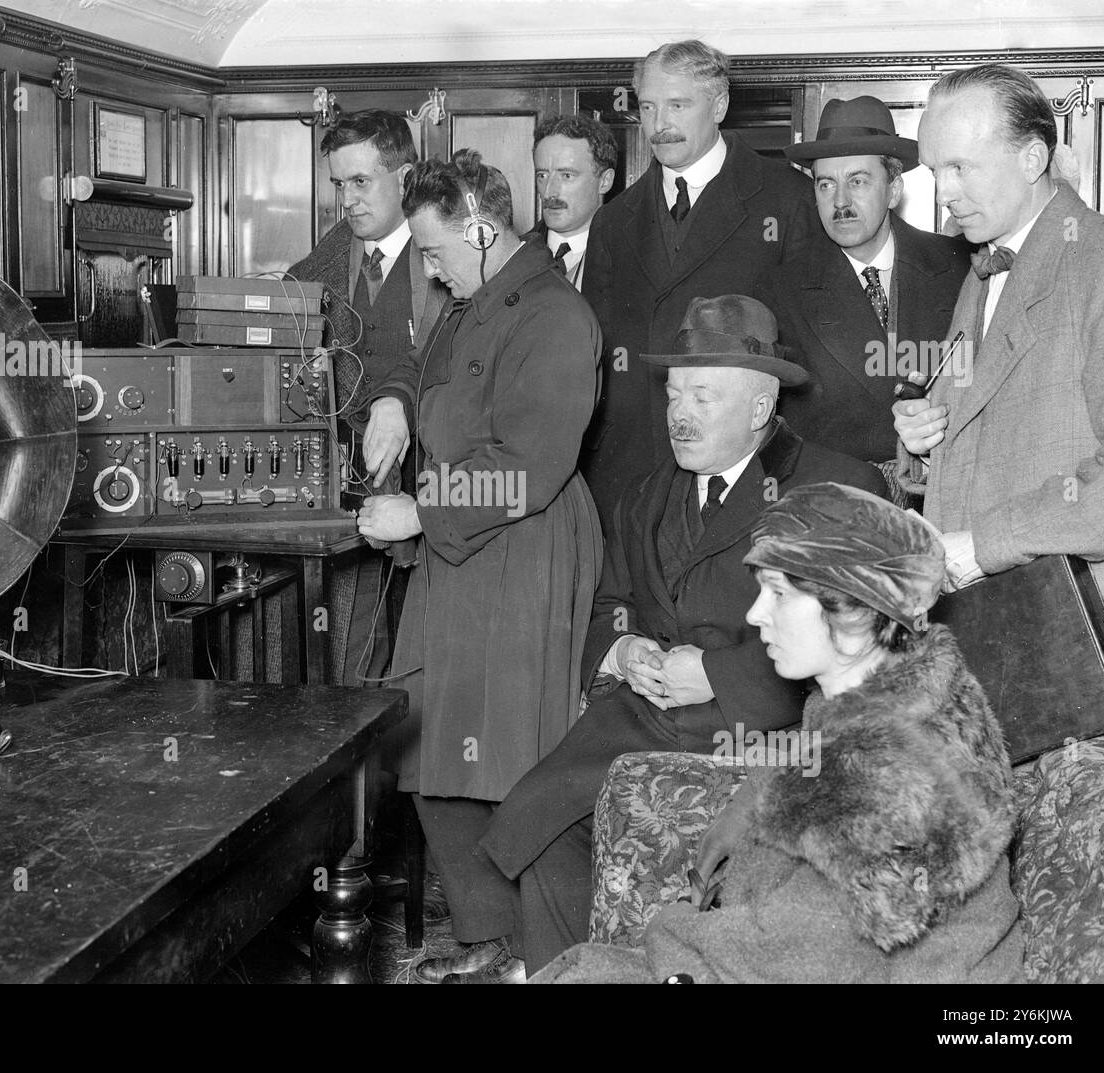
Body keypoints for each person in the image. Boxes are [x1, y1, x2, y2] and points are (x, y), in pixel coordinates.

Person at [468, 295, 888, 980]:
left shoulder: (835, 485)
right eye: (673, 392)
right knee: (540, 818)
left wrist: (717, 675)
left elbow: (857, 638)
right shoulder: (646, 493)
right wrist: (623, 649)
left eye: (703, 395)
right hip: (640, 716)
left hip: (761, 727)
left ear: (760, 407)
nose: (679, 413)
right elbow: (610, 603)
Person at [532, 482, 1025, 984]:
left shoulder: (883, 777)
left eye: (780, 594)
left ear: (854, 605)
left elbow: (791, 962)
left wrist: (671, 926)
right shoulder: (890, 701)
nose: (755, 614)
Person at [356, 149, 604, 985]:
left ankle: (551, 956)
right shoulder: (471, 302)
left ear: (483, 228)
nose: (428, 269)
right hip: (459, 550)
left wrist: (422, 512)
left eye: (435, 251)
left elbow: (529, 460)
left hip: (523, 548)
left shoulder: (556, 316)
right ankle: (489, 937)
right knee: (431, 753)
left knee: (515, 762)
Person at [893, 63, 1104, 636]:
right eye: (934, 170)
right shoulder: (982, 271)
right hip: (994, 620)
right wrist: (924, 445)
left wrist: (985, 545)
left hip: (1084, 631)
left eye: (960, 167)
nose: (943, 193)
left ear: (1032, 159)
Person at [581, 38, 819, 526]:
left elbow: (807, 349)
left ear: (720, 105)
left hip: (745, 473)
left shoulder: (787, 198)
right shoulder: (613, 220)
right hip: (631, 479)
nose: (659, 124)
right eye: (647, 107)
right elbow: (595, 358)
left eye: (678, 105)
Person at [288, 110, 447, 685]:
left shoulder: (452, 256)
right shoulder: (318, 265)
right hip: (341, 493)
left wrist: (397, 401)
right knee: (350, 657)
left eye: (361, 182)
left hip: (436, 487)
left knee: (427, 660)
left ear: (404, 179)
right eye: (338, 184)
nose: (347, 200)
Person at [755, 96, 970, 478]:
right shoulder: (779, 289)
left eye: (857, 181)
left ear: (893, 190)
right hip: (834, 508)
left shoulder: (958, 268)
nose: (840, 201)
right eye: (825, 185)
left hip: (943, 498)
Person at [528, 115, 617, 289]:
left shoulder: (629, 260)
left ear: (605, 181)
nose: (549, 192)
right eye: (542, 176)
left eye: (567, 176)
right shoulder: (513, 257)